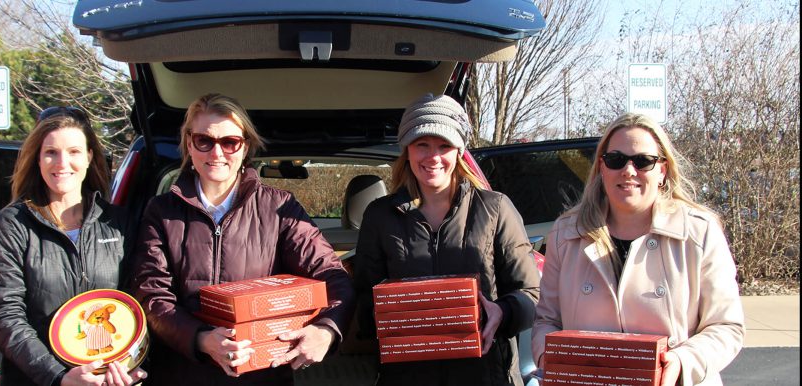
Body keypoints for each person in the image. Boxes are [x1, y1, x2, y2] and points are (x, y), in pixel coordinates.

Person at [131, 93, 355, 386]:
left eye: (229, 142)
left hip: (262, 374)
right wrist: (201, 339)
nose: (217, 152)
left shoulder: (279, 208)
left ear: (245, 145)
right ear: (189, 143)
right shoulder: (161, 211)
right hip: (183, 373)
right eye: (204, 141)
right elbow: (152, 294)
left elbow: (332, 275)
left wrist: (326, 330)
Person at [531, 113, 745, 386]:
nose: (629, 171)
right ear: (601, 168)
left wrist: (683, 361)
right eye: (616, 160)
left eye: (643, 161)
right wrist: (549, 359)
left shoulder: (698, 233)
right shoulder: (566, 234)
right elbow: (546, 321)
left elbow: (727, 326)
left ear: (662, 171)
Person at [352, 94, 541, 386]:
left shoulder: (495, 208)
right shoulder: (380, 215)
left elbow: (530, 294)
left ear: (459, 151)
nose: (433, 157)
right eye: (422, 144)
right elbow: (364, 300)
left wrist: (502, 311)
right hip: (407, 376)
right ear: (407, 150)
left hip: (485, 374)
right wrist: (391, 315)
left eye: (444, 145)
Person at [0, 107, 145, 386]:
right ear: (37, 159)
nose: (62, 162)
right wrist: (59, 377)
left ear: (89, 157)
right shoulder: (12, 226)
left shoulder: (118, 223)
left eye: (74, 152)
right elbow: (4, 315)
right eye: (51, 152)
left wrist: (132, 364)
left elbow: (138, 304)